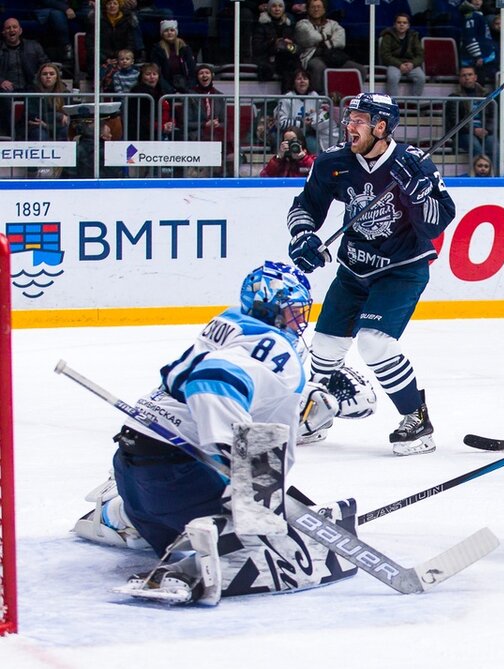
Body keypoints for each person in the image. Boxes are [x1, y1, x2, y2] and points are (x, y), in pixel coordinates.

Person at [72, 262, 359, 606]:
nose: (300, 318)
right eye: (293, 310)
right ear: (273, 307)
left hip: (134, 468)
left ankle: (115, 514)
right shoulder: (278, 348)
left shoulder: (231, 325)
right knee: (258, 531)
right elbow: (215, 377)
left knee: (173, 523)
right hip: (176, 478)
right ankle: (191, 567)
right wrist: (245, 472)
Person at [286, 93, 457, 455]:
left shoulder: (413, 164)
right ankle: (317, 416)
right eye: (349, 118)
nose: (350, 125)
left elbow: (437, 222)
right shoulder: (334, 162)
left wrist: (416, 194)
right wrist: (303, 236)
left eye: (359, 120)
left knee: (375, 343)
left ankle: (417, 420)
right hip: (353, 267)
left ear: (381, 126)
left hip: (401, 269)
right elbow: (306, 205)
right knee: (325, 348)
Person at [295, 0, 363, 96]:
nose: (316, 9)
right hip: (312, 56)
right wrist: (329, 38)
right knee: (318, 67)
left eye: (319, 7)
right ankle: (320, 98)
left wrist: (324, 43)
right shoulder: (302, 24)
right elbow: (311, 37)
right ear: (308, 9)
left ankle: (352, 98)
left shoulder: (333, 24)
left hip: (331, 56)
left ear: (324, 10)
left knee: (360, 69)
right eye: (313, 7)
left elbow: (341, 40)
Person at [443, 65, 498, 165]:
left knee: (494, 145)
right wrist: (473, 130)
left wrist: (487, 129)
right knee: (475, 146)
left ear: (475, 77)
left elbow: (492, 117)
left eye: (470, 75)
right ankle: (480, 178)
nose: (467, 78)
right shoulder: (454, 97)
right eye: (464, 75)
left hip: (484, 131)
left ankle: (497, 178)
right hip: (463, 133)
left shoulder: (486, 95)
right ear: (460, 79)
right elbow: (454, 121)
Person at [252, 0, 300, 91]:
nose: (277, 9)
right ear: (269, 8)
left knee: (293, 66)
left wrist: (289, 45)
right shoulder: (261, 25)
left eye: (280, 6)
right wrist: (274, 42)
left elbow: (296, 50)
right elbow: (257, 48)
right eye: (274, 6)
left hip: (284, 59)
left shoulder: (289, 25)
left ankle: (289, 98)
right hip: (267, 59)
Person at [379, 12, 426, 98]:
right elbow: (385, 55)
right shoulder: (388, 36)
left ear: (408, 25)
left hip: (410, 64)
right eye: (399, 22)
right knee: (393, 77)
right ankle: (393, 103)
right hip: (394, 64)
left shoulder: (413, 36)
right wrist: (399, 64)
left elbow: (420, 55)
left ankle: (414, 102)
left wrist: (413, 64)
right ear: (394, 24)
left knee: (421, 77)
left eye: (404, 23)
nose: (401, 25)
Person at [151, 19, 197, 95]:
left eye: (172, 30)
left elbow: (192, 70)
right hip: (166, 88)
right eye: (166, 30)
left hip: (185, 85)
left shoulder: (185, 48)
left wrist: (188, 88)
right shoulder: (157, 49)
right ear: (162, 33)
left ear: (176, 32)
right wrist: (169, 90)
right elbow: (157, 72)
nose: (169, 33)